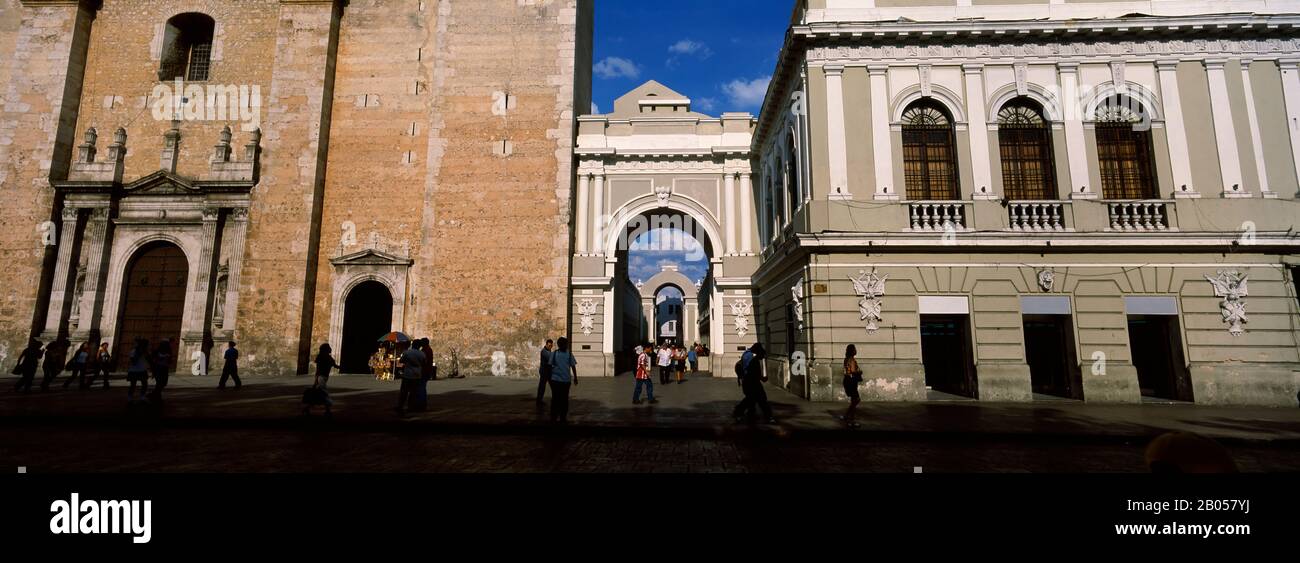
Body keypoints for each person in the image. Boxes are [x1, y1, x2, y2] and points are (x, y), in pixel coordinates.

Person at [733, 343, 775, 424]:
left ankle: (742, 413)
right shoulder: (753, 360)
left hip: (749, 382)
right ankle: (768, 416)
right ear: (758, 352)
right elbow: (754, 374)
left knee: (750, 400)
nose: (762, 358)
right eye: (762, 355)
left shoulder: (749, 356)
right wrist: (762, 378)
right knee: (761, 400)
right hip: (752, 384)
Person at [547, 337, 578, 423]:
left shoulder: (566, 354)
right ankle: (557, 415)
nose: (566, 346)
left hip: (562, 381)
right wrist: (575, 377)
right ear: (561, 345)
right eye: (565, 344)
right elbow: (549, 366)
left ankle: (560, 415)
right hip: (559, 381)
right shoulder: (557, 354)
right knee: (559, 399)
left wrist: (575, 377)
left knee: (560, 399)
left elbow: (573, 366)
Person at [304, 343, 336, 416]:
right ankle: (328, 409)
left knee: (317, 394)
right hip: (321, 377)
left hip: (324, 378)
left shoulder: (329, 358)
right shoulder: (321, 357)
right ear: (325, 349)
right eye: (329, 348)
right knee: (324, 393)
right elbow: (318, 370)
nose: (330, 349)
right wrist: (316, 380)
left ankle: (307, 408)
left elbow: (335, 365)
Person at [395, 342, 425, 416]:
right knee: (413, 393)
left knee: (404, 392)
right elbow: (424, 363)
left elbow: (401, 361)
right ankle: (410, 407)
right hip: (417, 375)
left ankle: (400, 407)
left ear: (412, 345)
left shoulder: (407, 352)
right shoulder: (422, 354)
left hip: (407, 374)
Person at [840, 344, 863, 428]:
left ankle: (846, 416)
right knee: (855, 400)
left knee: (854, 400)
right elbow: (853, 371)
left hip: (847, 380)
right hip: (851, 381)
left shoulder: (846, 359)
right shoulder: (852, 360)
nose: (856, 350)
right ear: (852, 351)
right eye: (854, 349)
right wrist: (860, 372)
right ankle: (851, 421)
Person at [147, 339, 172, 404]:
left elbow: (169, 361)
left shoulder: (168, 352)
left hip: (164, 368)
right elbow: (151, 358)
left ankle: (155, 394)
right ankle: (156, 395)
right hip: (159, 368)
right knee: (160, 382)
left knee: (162, 383)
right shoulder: (157, 351)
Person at [536, 339, 554, 405]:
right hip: (544, 371)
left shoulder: (549, 351)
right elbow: (550, 358)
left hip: (548, 371)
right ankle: (539, 400)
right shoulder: (544, 352)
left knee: (552, 386)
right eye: (549, 345)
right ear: (546, 344)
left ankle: (540, 399)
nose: (550, 346)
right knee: (542, 386)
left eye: (551, 345)